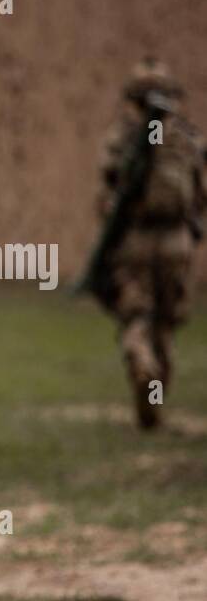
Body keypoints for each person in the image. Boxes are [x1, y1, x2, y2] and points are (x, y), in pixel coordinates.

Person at [97, 58, 205, 429]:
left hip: (136, 239)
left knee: (136, 318)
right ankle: (154, 401)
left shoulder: (124, 139)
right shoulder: (186, 139)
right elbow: (200, 195)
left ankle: (140, 360)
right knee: (165, 326)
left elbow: (108, 189)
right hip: (176, 241)